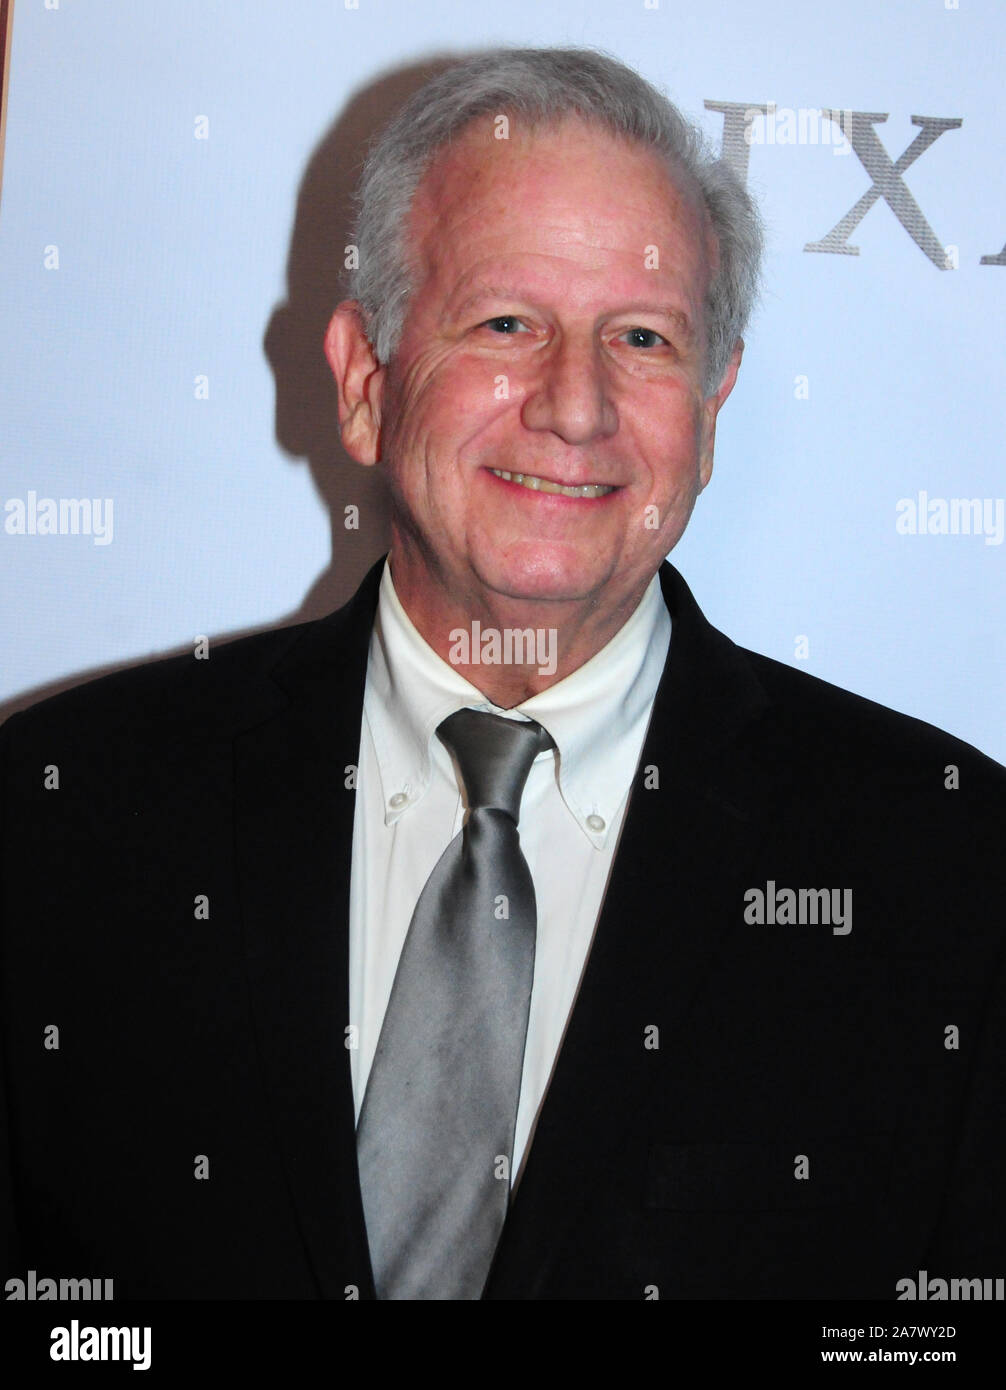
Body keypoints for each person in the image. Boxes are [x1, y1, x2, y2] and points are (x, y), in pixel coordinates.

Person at [2, 47, 1004, 1302]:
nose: (574, 406)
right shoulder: (57, 815)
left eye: (641, 337)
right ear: (365, 384)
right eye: (505, 323)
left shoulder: (951, 867)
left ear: (711, 407)